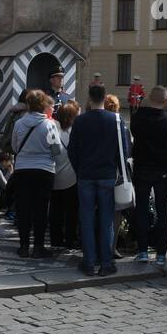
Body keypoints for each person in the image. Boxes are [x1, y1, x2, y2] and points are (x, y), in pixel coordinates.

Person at [68, 84, 126, 276]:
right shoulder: (115, 120)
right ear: (104, 97)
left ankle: (89, 262)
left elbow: (72, 150)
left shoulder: (80, 121)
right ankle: (106, 263)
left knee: (86, 219)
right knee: (107, 220)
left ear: (90, 98)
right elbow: (123, 151)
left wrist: (79, 169)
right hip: (108, 175)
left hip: (85, 175)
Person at [130, 84, 167, 264]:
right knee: (163, 211)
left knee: (141, 209)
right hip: (162, 171)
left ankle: (142, 250)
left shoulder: (137, 118)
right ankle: (160, 253)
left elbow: (134, 134)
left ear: (149, 98)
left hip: (142, 169)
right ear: (166, 101)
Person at [12, 89, 63, 258]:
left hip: (22, 170)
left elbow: (14, 147)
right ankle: (38, 247)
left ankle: (24, 245)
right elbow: (57, 150)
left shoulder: (19, 123)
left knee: (23, 208)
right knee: (40, 209)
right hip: (44, 170)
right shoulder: (49, 125)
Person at [49, 101, 80, 249]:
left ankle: (55, 239)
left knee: (55, 209)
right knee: (71, 211)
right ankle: (70, 239)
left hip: (54, 174)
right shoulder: (76, 131)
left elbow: (53, 151)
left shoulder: (53, 128)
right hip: (72, 177)